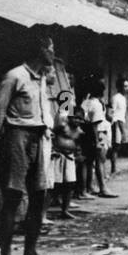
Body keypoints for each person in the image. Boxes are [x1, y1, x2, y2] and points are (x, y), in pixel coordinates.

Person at [0, 29, 59, 255]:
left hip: (39, 138)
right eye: (51, 48)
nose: (53, 53)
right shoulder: (15, 76)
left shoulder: (42, 78)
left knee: (39, 197)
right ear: (40, 49)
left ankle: (30, 253)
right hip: (17, 136)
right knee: (13, 196)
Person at [50, 90, 82, 219]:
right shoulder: (63, 115)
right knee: (58, 182)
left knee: (68, 182)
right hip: (60, 153)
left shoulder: (67, 114)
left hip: (68, 153)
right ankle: (60, 205)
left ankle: (64, 208)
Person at [79, 82, 113, 197]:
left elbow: (82, 116)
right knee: (100, 161)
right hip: (98, 133)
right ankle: (103, 187)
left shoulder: (87, 102)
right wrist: (97, 141)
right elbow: (95, 124)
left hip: (86, 134)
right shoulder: (97, 105)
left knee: (88, 162)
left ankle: (89, 187)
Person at [108, 78, 128, 174]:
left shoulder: (123, 98)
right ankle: (113, 168)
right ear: (119, 87)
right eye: (125, 86)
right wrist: (119, 128)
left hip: (121, 123)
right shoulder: (115, 98)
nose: (127, 88)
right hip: (115, 123)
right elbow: (111, 113)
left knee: (117, 147)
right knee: (115, 146)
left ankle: (114, 167)